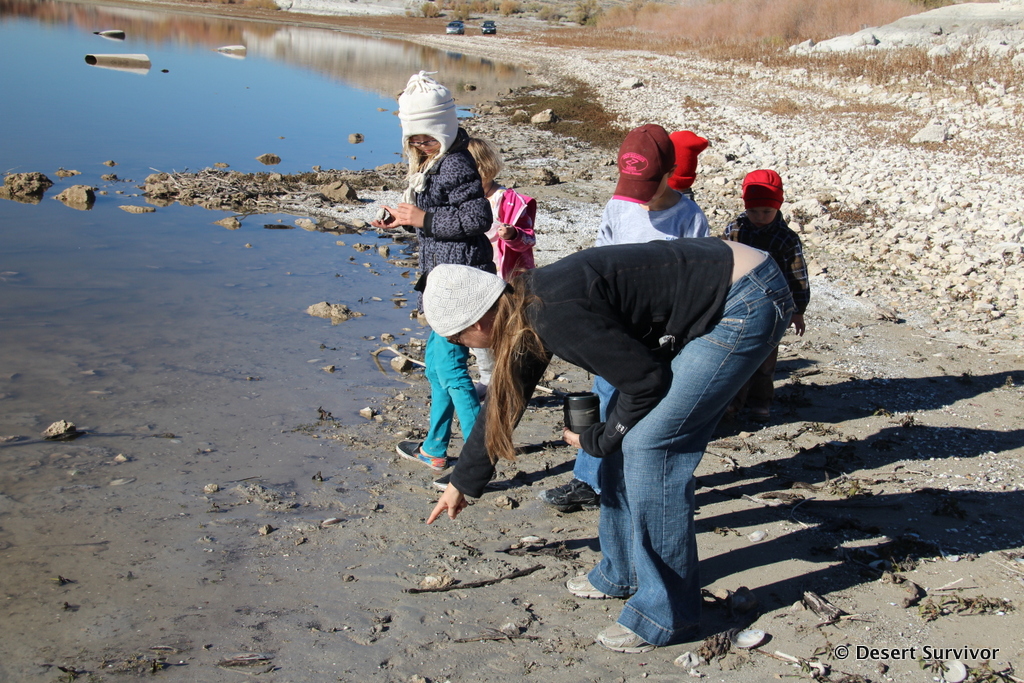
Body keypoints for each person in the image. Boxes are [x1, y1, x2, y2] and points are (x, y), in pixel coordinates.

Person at [421, 235, 796, 653]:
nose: (461, 348)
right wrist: (464, 481)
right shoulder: (524, 304)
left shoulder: (552, 315)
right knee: (630, 428)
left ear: (477, 323)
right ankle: (623, 571)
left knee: (653, 446)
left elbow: (646, 381)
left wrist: (597, 438)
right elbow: (506, 399)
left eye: (455, 340)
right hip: (723, 285)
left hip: (747, 298)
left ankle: (666, 614)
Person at [539, 124, 709, 513]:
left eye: (648, 187)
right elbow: (599, 261)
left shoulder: (690, 219)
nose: (640, 199)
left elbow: (696, 285)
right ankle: (588, 480)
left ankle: (647, 483)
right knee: (605, 400)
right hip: (617, 329)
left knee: (652, 412)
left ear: (670, 172)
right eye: (632, 187)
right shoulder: (619, 205)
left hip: (662, 335)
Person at [370, 71, 493, 471]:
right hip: (444, 278)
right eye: (413, 139)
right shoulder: (433, 163)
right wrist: (405, 220)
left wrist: (423, 218)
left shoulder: (455, 165)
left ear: (444, 128)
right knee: (437, 366)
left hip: (460, 282)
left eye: (426, 137)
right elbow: (436, 218)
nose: (419, 145)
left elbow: (478, 217)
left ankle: (479, 459)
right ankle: (435, 448)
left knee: (451, 370)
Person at [723, 169, 810, 422]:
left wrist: (798, 311)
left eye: (766, 212)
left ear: (778, 208)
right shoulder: (734, 229)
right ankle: (732, 402)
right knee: (735, 357)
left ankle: (761, 402)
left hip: (774, 308)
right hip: (737, 304)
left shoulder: (786, 238)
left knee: (765, 361)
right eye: (753, 211)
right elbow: (723, 263)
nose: (760, 217)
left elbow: (798, 276)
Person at [464, 137, 537, 398]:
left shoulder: (508, 201)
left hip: (504, 278)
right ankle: (487, 377)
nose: (468, 186)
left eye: (473, 178)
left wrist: (513, 234)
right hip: (476, 276)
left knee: (509, 331)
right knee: (478, 329)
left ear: (486, 170)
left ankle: (511, 380)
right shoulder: (463, 201)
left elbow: (529, 238)